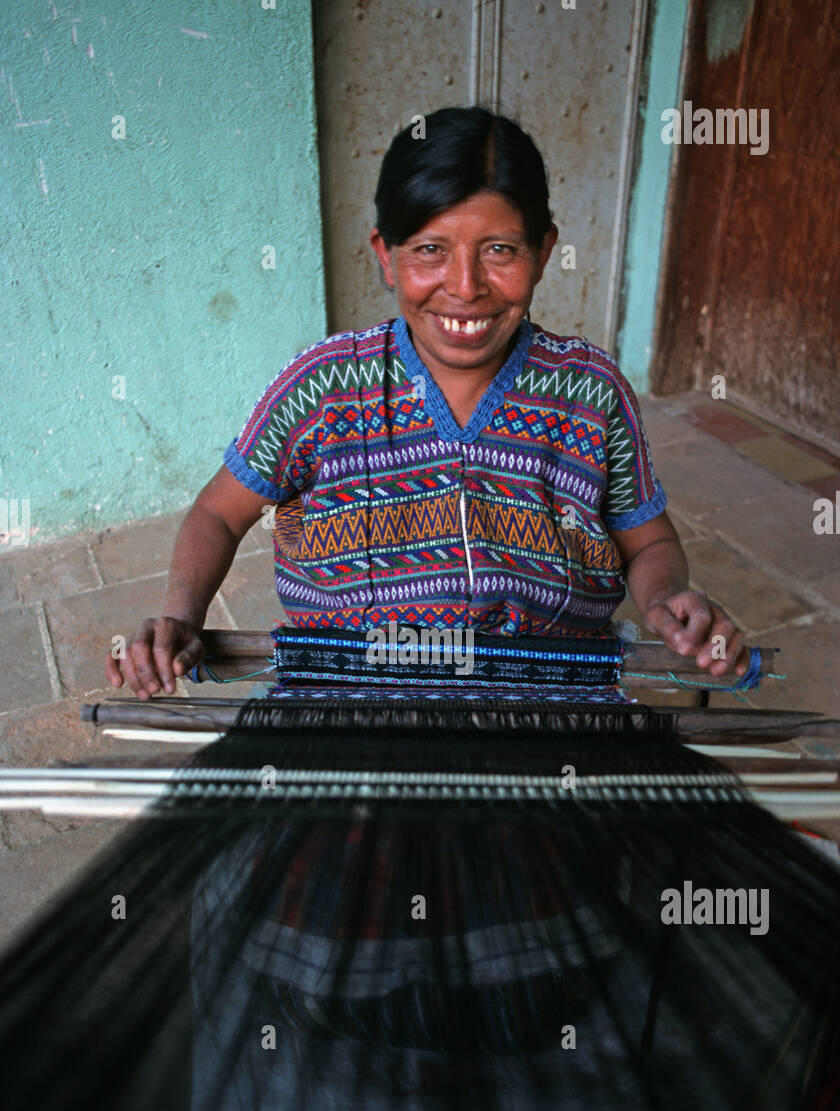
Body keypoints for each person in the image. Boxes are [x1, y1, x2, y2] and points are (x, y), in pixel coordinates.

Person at [106, 106, 748, 698]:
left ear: (544, 251)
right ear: (386, 255)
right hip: (352, 697)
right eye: (430, 251)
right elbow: (219, 514)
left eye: (500, 250)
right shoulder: (325, 386)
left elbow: (646, 541)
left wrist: (668, 596)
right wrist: (181, 614)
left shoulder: (590, 391)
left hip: (543, 695)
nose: (464, 288)